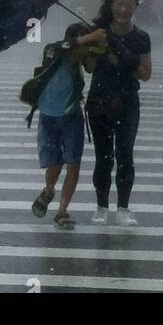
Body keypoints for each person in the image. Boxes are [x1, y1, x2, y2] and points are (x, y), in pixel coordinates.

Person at [85, 0, 152, 227]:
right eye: (119, 3)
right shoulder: (98, 31)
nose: (123, 9)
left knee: (125, 155)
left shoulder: (142, 38)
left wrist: (125, 56)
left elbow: (146, 73)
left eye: (129, 4)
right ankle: (101, 206)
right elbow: (89, 67)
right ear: (111, 4)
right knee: (103, 157)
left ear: (136, 6)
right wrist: (95, 44)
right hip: (99, 102)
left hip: (127, 103)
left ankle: (123, 207)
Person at [31, 21, 105, 229]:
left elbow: (93, 67)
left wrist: (97, 48)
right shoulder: (53, 50)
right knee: (54, 164)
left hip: (71, 116)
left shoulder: (80, 63)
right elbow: (59, 48)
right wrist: (88, 38)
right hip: (49, 116)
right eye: (82, 44)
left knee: (73, 164)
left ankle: (62, 210)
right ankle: (48, 190)